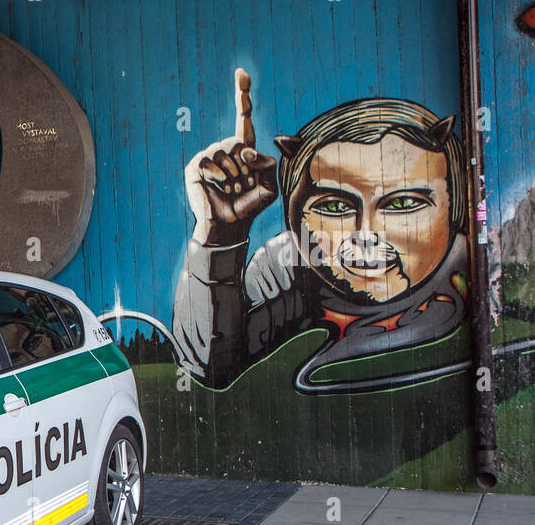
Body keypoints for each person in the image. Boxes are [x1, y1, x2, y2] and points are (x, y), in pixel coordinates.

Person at [172, 69, 467, 389]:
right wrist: (218, 237)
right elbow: (211, 367)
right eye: (336, 207)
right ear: (293, 216)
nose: (366, 233)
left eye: (401, 205)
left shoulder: (474, 270)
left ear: (453, 206)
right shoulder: (285, 270)